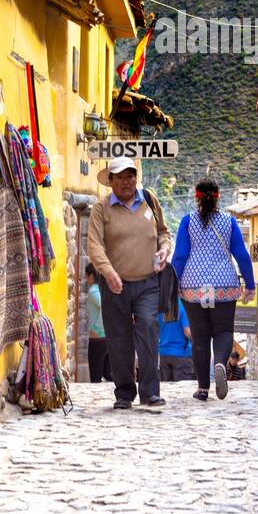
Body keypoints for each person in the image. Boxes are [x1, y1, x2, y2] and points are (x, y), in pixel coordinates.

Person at [86, 158, 172, 412]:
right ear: (110, 181)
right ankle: (124, 392)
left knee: (148, 329)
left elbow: (163, 233)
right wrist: (108, 272)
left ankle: (150, 392)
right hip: (115, 285)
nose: (127, 182)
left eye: (131, 176)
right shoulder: (101, 209)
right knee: (119, 339)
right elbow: (94, 245)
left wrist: (165, 249)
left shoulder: (149, 200)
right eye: (120, 177)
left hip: (148, 282)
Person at [171, 178, 255, 402]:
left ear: (196, 197)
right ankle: (219, 363)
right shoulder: (229, 222)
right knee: (224, 332)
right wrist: (250, 284)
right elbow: (242, 256)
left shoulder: (188, 222)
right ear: (218, 196)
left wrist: (171, 283)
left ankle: (202, 388)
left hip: (193, 287)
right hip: (224, 286)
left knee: (199, 338)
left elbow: (180, 256)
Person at [85, 262, 112, 383]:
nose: (86, 280)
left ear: (91, 276)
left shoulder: (93, 291)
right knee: (108, 374)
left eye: (86, 276)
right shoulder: (101, 288)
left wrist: (96, 328)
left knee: (95, 375)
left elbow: (104, 307)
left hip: (97, 338)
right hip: (105, 337)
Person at [158, 299, 193, 381]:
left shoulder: (160, 306)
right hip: (181, 354)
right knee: (183, 389)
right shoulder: (183, 305)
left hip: (163, 353)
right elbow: (187, 331)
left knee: (166, 389)